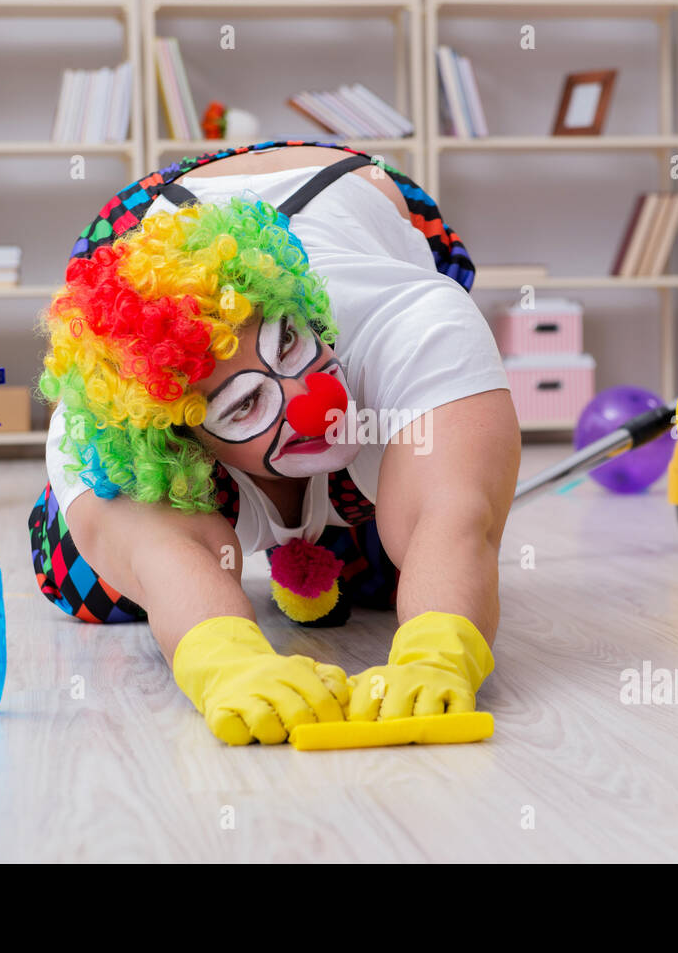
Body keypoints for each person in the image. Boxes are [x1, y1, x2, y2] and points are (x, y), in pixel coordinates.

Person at [28, 140, 521, 745]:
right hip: (142, 229)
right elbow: (165, 559)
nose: (314, 399)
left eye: (288, 344)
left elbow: (455, 515)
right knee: (92, 588)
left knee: (402, 564)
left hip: (348, 184)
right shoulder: (104, 432)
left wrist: (438, 653)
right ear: (184, 441)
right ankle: (270, 513)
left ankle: (312, 512)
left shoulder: (414, 322)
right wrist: (227, 664)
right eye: (245, 405)